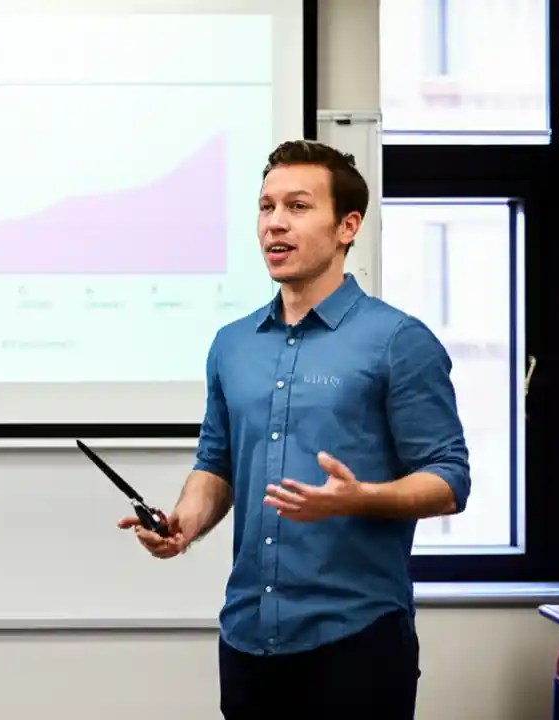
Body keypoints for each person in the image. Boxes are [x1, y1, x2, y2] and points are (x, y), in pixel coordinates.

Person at [118, 140, 471, 719]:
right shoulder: (231, 345)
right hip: (248, 638)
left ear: (347, 226)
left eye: (298, 206)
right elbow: (216, 464)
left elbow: (450, 480)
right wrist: (183, 523)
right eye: (266, 207)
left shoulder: (397, 342)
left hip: (356, 640)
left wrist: (361, 499)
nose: (274, 224)